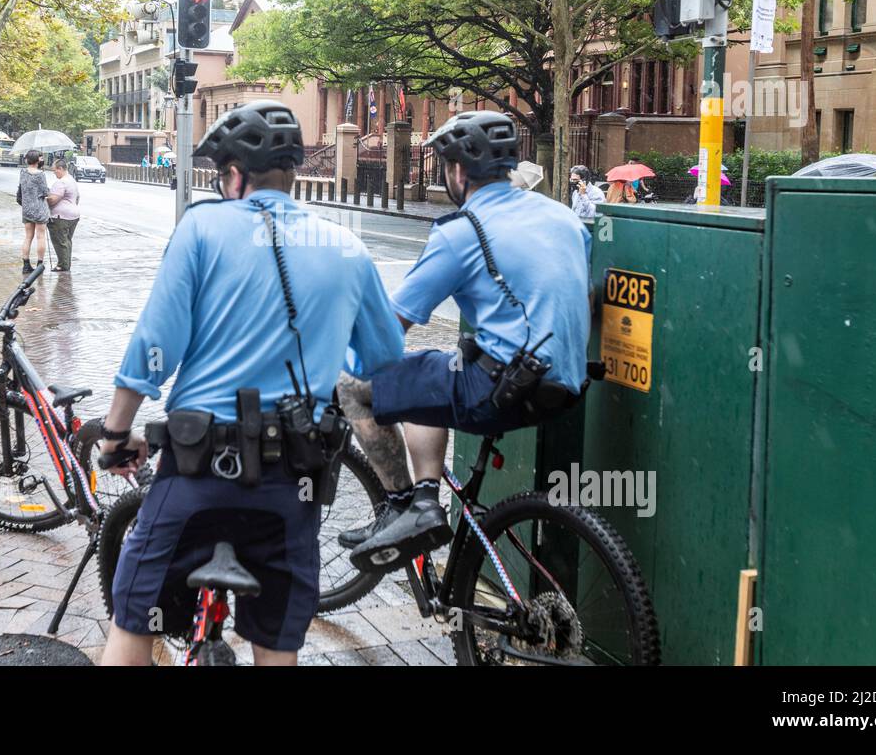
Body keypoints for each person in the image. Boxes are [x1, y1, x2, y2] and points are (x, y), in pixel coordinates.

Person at [96, 100, 403, 666]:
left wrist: (116, 436)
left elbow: (152, 348)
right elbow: (383, 360)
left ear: (233, 174)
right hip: (292, 485)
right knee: (277, 645)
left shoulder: (202, 227)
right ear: (292, 172)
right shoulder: (348, 248)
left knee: (133, 618)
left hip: (196, 476)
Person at [336, 111, 594, 572]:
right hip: (567, 387)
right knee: (429, 372)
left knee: (355, 387)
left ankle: (405, 506)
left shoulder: (460, 233)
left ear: (456, 171)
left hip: (501, 391)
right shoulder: (565, 219)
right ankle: (426, 500)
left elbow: (388, 334)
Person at [46, 158, 81, 273]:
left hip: (61, 217)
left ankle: (62, 265)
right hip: (74, 215)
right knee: (67, 241)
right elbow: (77, 197)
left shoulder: (61, 182)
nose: (54, 173)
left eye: (54, 170)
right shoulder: (71, 180)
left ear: (60, 169)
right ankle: (67, 264)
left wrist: (46, 197)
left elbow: (53, 200)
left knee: (59, 241)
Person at [19, 149, 50, 274]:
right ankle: (39, 264)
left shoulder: (22, 172)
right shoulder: (40, 174)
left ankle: (26, 265)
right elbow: (45, 192)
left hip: (26, 209)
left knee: (28, 237)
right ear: (36, 160)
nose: (42, 159)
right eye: (40, 158)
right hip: (39, 209)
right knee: (40, 237)